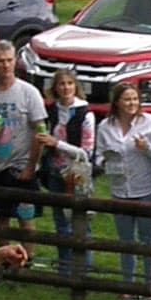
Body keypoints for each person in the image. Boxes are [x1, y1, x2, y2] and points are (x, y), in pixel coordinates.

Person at [0, 41, 47, 255]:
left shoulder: (29, 93)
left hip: (21, 164)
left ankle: (28, 258)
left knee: (26, 215)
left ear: (15, 61)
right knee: (1, 216)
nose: (5, 65)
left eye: (9, 60)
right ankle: (5, 257)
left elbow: (40, 131)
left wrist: (31, 166)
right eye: (0, 61)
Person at [95, 83, 151, 286]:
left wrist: (147, 148)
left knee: (147, 241)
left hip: (146, 189)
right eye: (127, 99)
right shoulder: (105, 126)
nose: (132, 103)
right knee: (126, 242)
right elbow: (98, 155)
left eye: (135, 99)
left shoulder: (150, 122)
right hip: (120, 190)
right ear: (117, 102)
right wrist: (104, 161)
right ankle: (128, 285)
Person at [35, 69, 95, 274]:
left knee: (79, 223)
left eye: (69, 83)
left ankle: (84, 268)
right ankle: (65, 269)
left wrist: (57, 144)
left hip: (77, 173)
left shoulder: (85, 113)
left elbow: (86, 152)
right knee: (61, 223)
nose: (66, 88)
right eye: (61, 84)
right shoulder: (51, 111)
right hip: (54, 171)